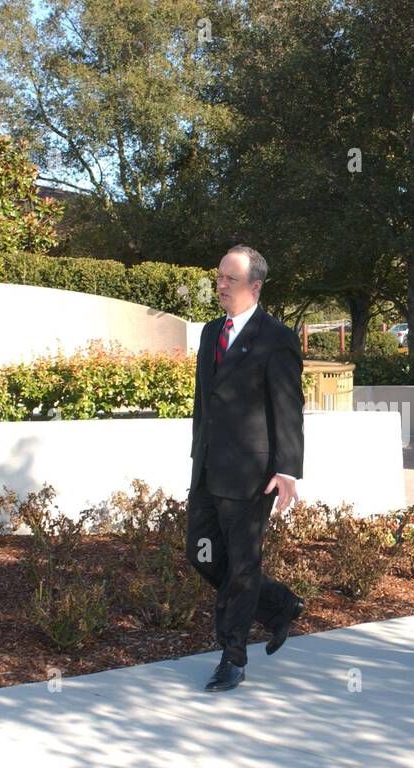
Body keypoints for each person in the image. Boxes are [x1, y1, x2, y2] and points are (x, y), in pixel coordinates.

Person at [186, 244, 305, 692]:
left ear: (254, 286)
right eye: (218, 276)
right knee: (201, 555)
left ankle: (232, 656)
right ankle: (279, 605)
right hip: (207, 470)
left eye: (229, 279)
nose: (220, 284)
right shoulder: (209, 332)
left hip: (252, 476)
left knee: (241, 566)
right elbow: (205, 404)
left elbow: (288, 407)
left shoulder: (276, 337)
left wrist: (287, 469)